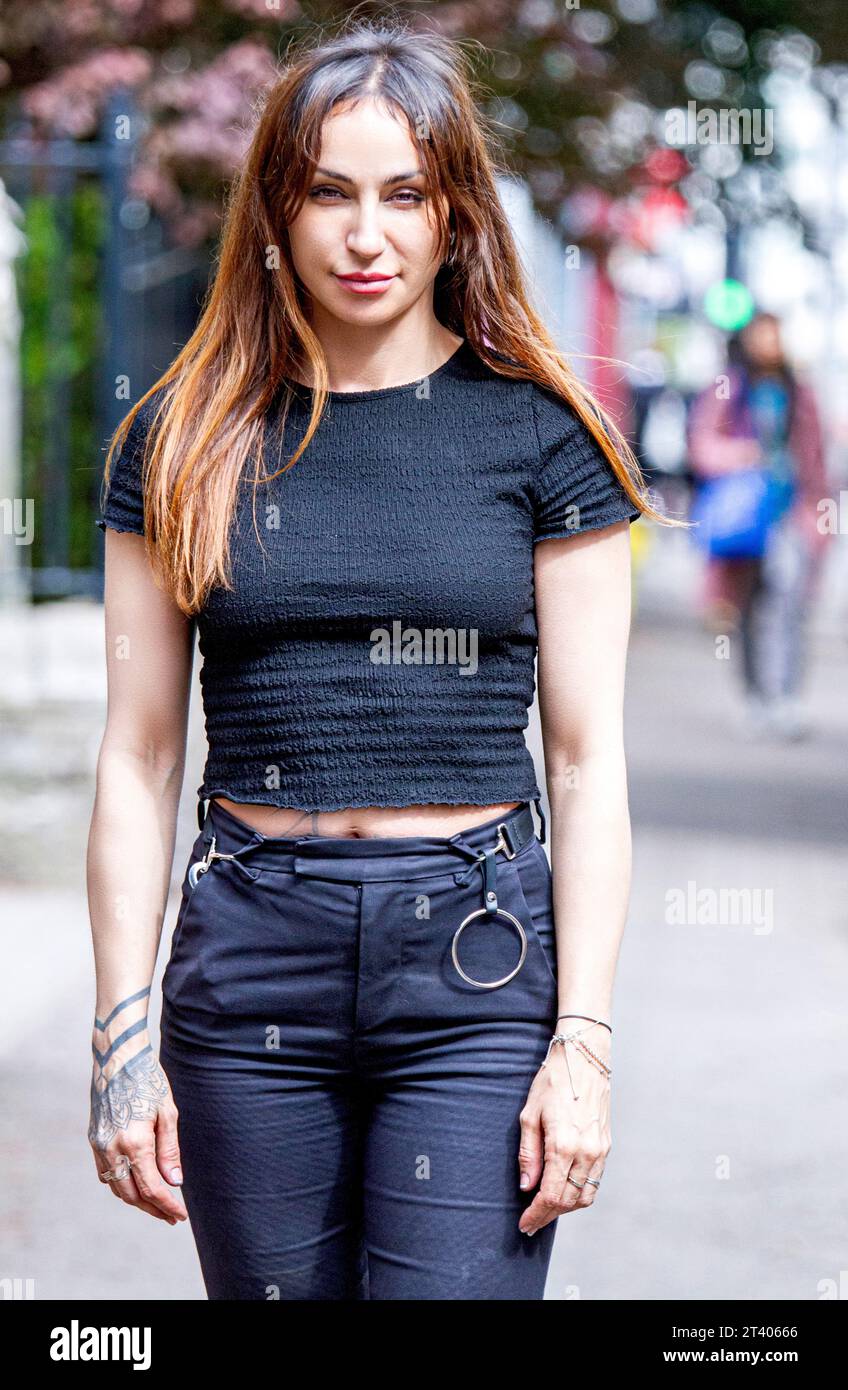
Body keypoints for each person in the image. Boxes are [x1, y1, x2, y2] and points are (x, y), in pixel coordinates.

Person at [87, 17, 675, 1301]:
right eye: (330, 194)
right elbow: (136, 755)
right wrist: (122, 1033)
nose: (368, 235)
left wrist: (582, 1038)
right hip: (251, 959)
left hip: (474, 960)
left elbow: (582, 766)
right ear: (276, 212)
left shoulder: (542, 438)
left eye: (405, 194)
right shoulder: (181, 443)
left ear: (455, 211)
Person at [688, 311, 831, 739]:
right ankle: (754, 696)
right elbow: (702, 445)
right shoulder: (729, 388)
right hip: (746, 519)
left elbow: (817, 458)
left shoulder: (799, 391)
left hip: (790, 517)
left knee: (789, 608)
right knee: (746, 610)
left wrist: (821, 517)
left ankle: (785, 698)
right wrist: (741, 455)